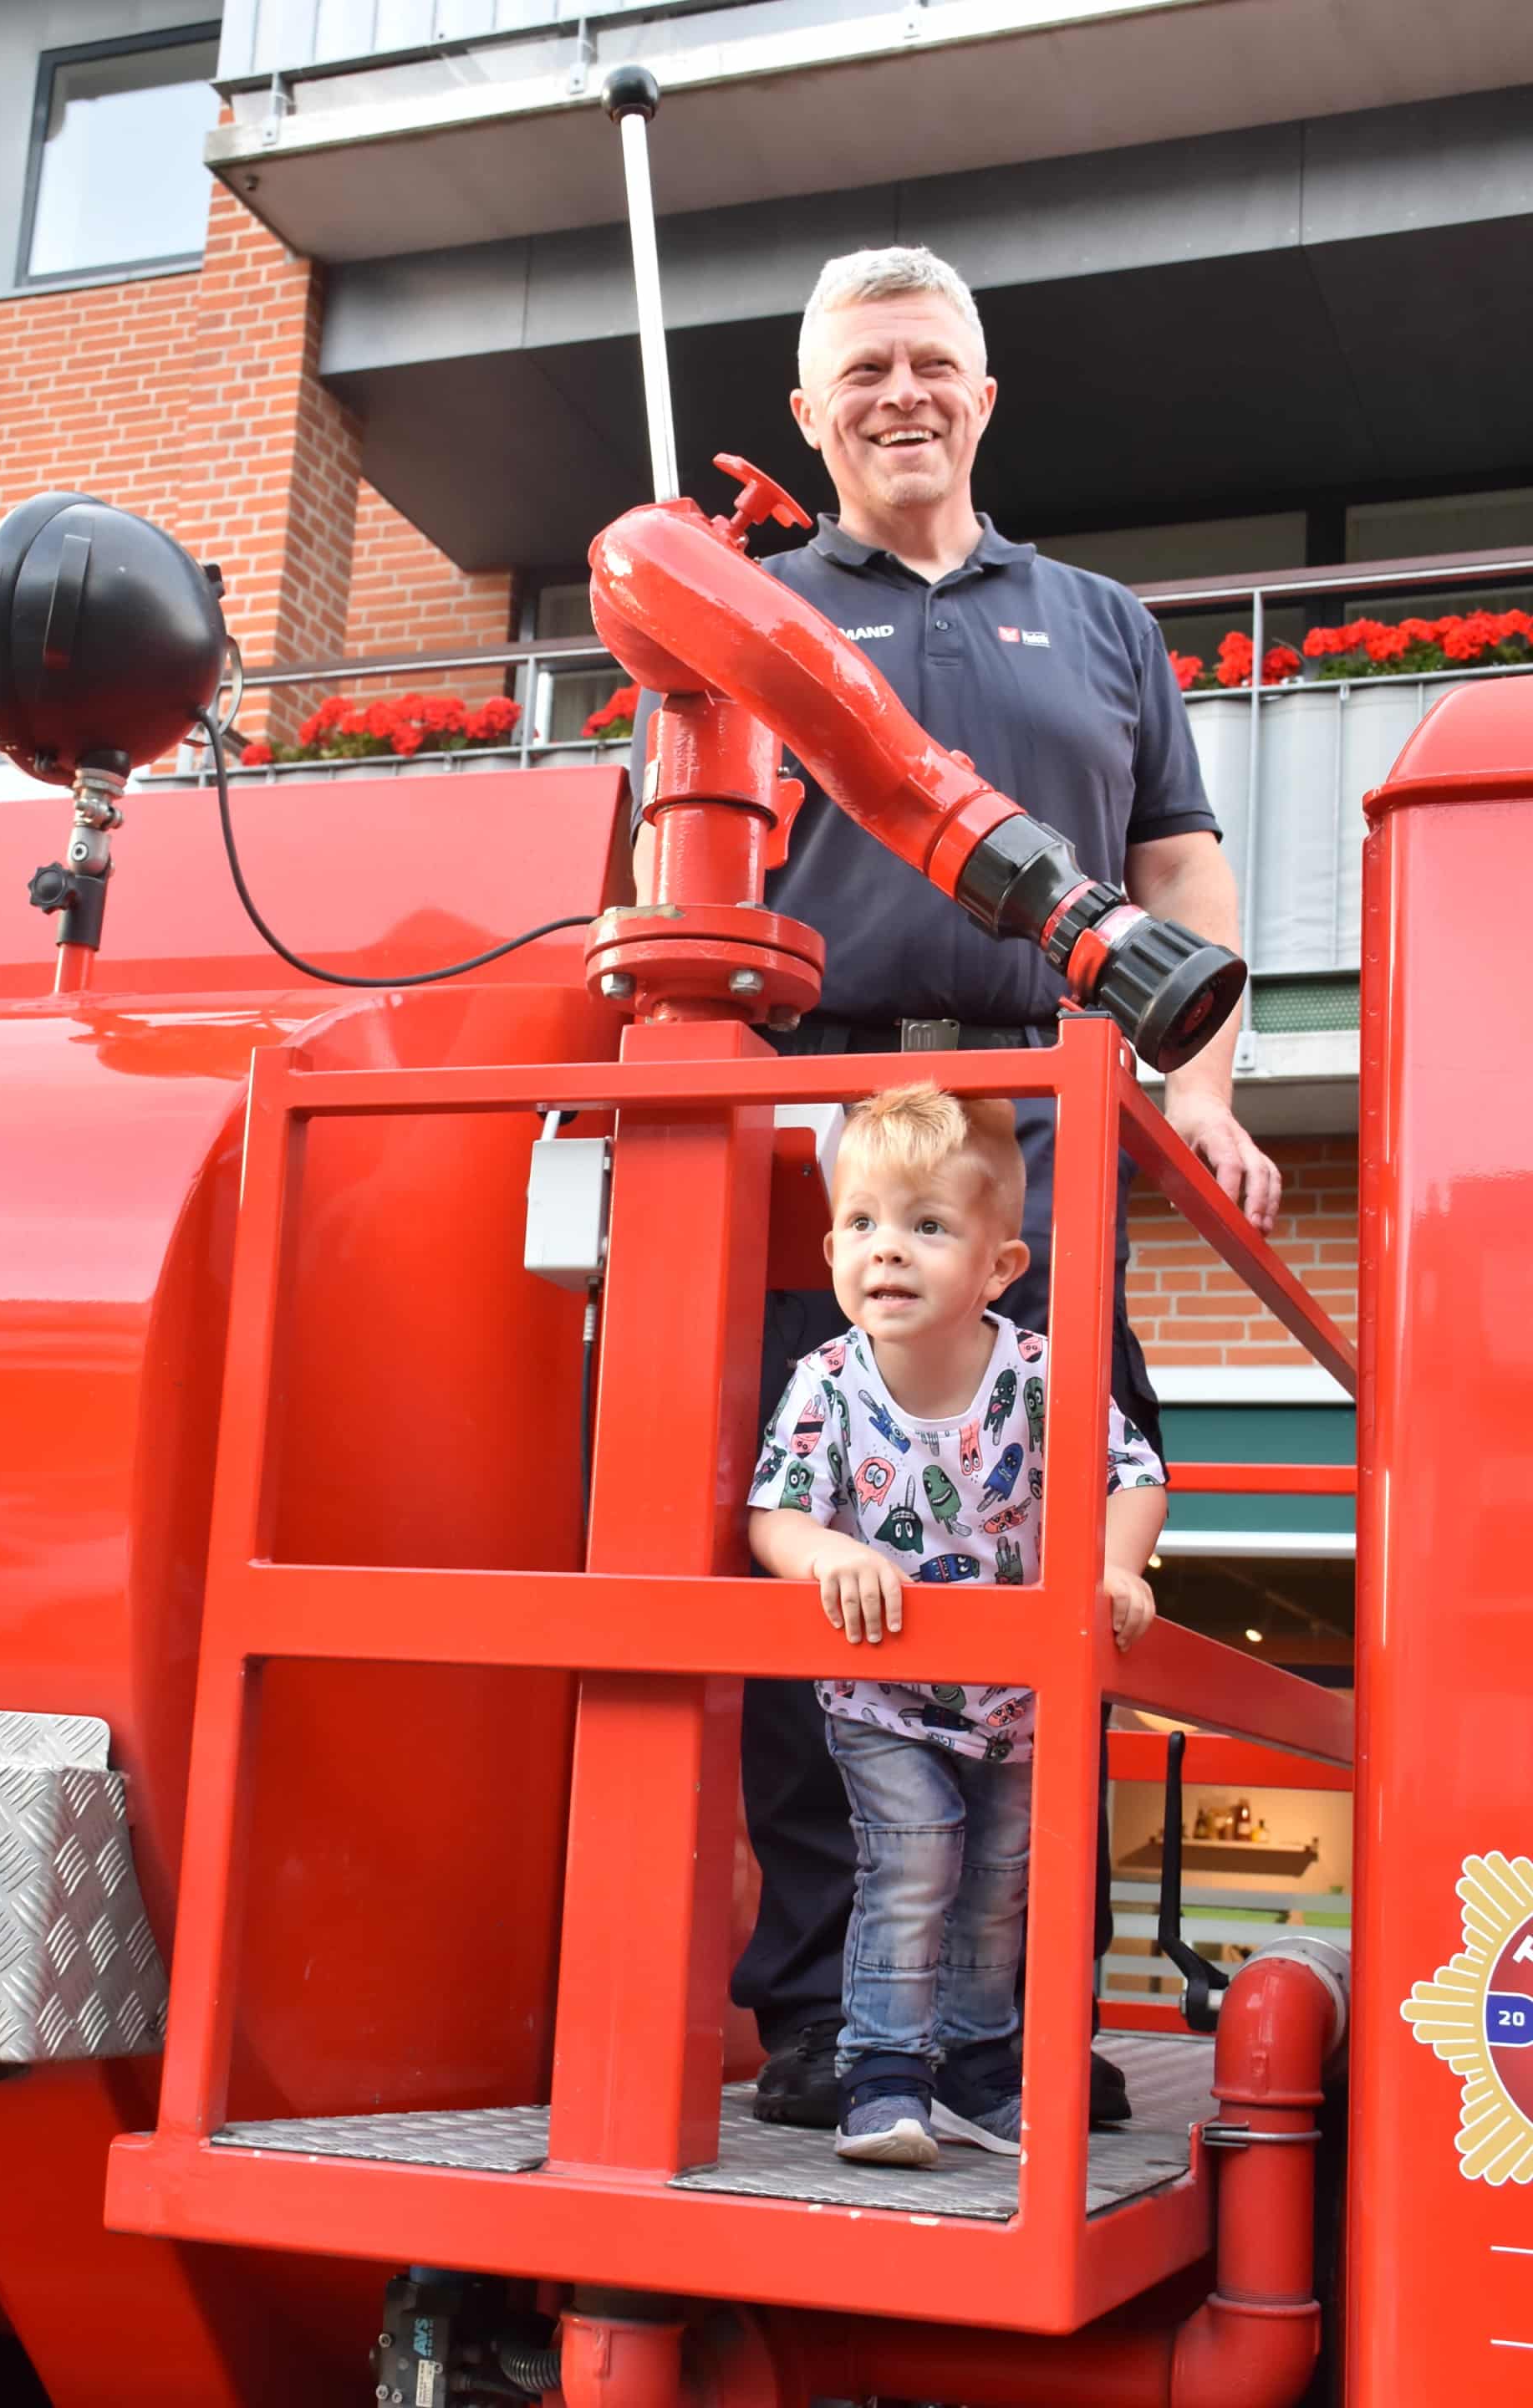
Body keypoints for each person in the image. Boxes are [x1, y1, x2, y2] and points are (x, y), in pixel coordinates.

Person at [630, 244, 1281, 2130]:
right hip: (813, 1147)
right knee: (811, 1589)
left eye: (934, 363)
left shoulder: (1098, 622)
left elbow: (1179, 879)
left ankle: (1005, 2024)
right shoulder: (724, 608)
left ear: (984, 397)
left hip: (1052, 1133)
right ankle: (839, 2024)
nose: (903, 393)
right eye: (866, 369)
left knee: (1058, 1576)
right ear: (810, 414)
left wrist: (1211, 1087)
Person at [747, 1084, 1165, 2163]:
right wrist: (825, 1551)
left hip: (1020, 1697)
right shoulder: (825, 1384)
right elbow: (777, 1513)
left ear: (999, 1269)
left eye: (927, 1227)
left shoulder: (1040, 1377)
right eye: (861, 1223)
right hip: (884, 1692)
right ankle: (882, 2079)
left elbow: (1131, 1473)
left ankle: (979, 2069)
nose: (885, 1252)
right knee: (912, 1865)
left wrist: (1116, 1566)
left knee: (996, 1888)